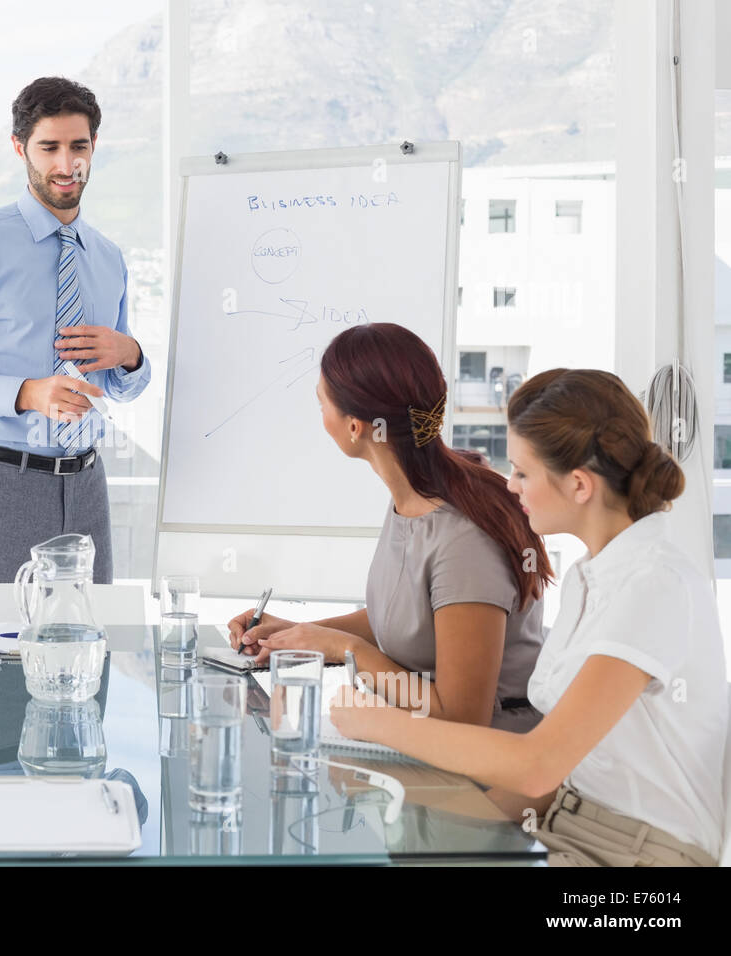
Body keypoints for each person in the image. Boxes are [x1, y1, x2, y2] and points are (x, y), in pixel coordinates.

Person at [330, 368, 727, 867]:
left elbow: (539, 765)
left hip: (645, 861)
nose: (511, 486)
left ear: (579, 485)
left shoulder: (654, 586)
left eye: (522, 472)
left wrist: (377, 724)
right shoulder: (591, 578)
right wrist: (443, 825)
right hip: (562, 824)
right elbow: (556, 782)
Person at [229, 323, 549, 731]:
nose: (320, 415)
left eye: (322, 403)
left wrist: (345, 649)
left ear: (355, 425)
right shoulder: (416, 496)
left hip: (482, 765)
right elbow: (408, 620)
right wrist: (299, 635)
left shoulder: (463, 538)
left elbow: (463, 712)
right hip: (422, 739)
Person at [0, 75, 151, 585]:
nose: (66, 165)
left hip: (87, 488)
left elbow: (125, 386)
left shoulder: (108, 257)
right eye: (49, 147)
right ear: (20, 148)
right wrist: (25, 393)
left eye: (78, 146)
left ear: (94, 146)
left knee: (86, 654)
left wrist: (130, 354)